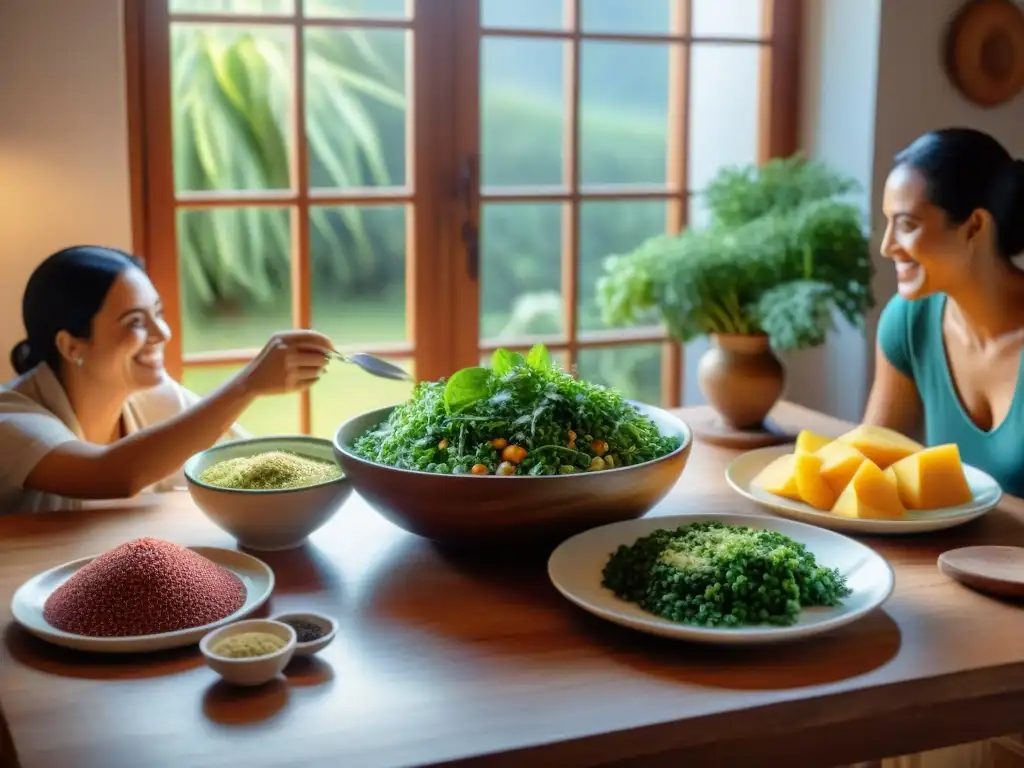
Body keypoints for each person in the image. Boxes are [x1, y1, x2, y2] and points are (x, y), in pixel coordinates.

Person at [865, 129, 1024, 767]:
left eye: (905, 224)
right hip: (953, 602)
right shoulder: (909, 321)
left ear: (974, 226)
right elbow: (870, 464)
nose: (886, 247)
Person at [0, 245, 334, 513]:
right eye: (135, 321)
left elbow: (252, 459)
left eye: (157, 314)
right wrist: (248, 383)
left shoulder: (158, 399)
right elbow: (113, 475)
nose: (162, 333)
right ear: (71, 346)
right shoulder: (11, 421)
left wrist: (340, 468)